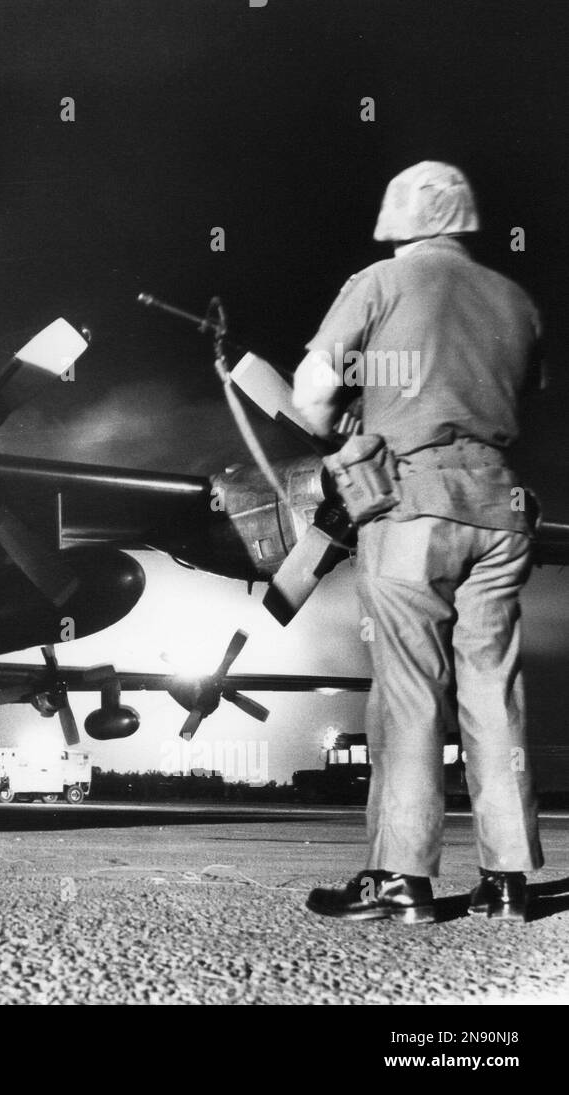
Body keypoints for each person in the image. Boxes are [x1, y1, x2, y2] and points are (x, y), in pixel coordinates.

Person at [292, 161, 544, 924]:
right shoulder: (517, 299)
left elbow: (309, 395)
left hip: (412, 508)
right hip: (499, 511)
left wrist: (348, 418)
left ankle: (401, 879)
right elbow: (514, 395)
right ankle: (507, 881)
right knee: (494, 692)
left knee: (408, 696)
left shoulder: (377, 282)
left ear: (399, 216)